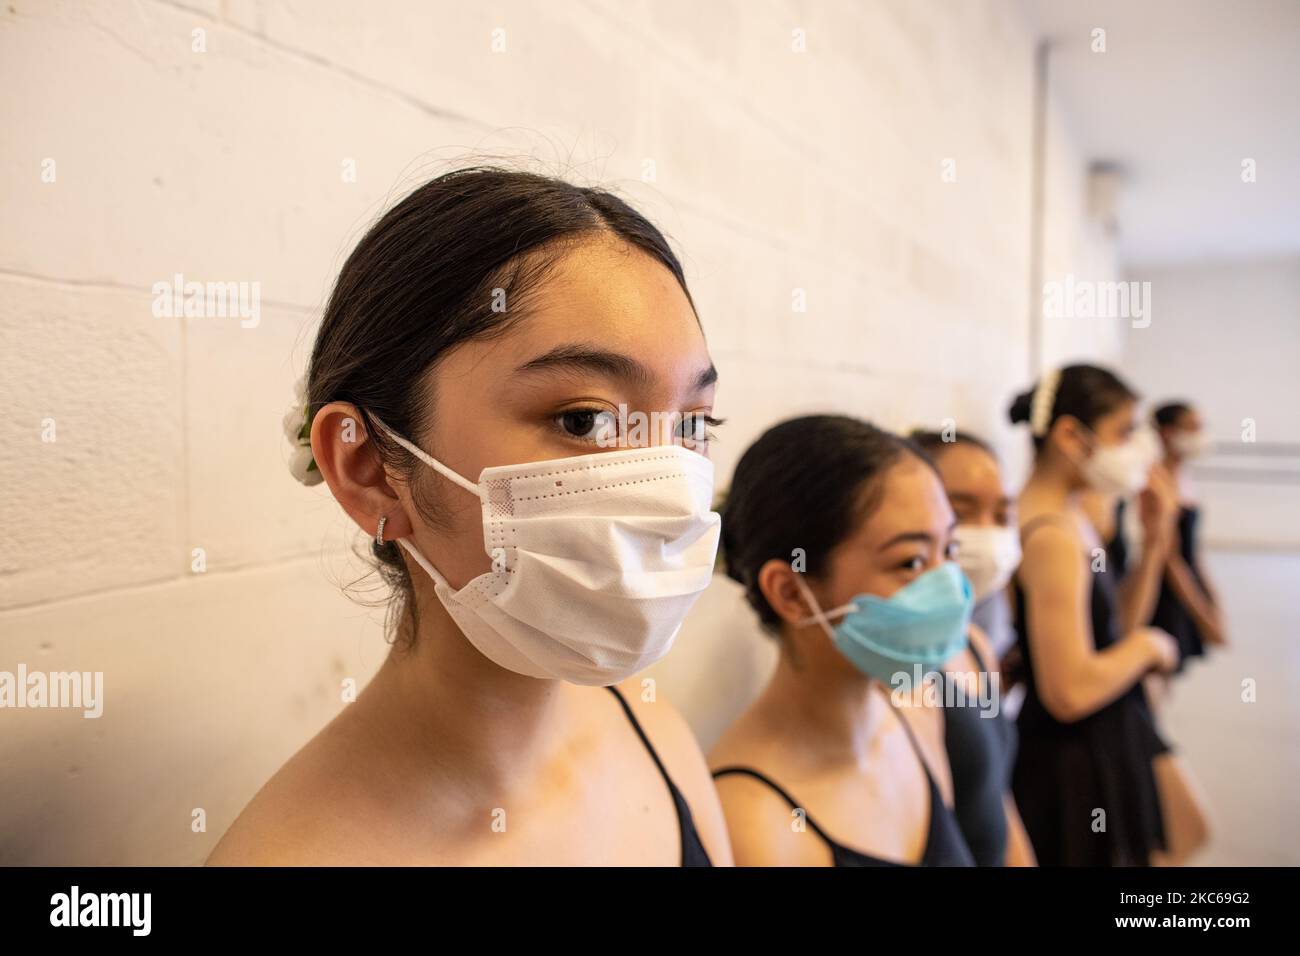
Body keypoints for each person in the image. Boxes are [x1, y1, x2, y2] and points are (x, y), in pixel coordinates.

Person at [207, 167, 733, 866]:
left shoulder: (653, 728)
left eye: (692, 426)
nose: (668, 491)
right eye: (585, 419)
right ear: (370, 471)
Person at [709, 415, 975, 867]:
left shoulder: (917, 711)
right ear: (792, 593)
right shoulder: (750, 820)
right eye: (910, 562)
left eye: (948, 550)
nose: (949, 587)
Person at [1007, 364, 1180, 866]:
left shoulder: (1075, 515)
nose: (1135, 450)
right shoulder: (1052, 535)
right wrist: (1150, 647)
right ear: (1068, 435)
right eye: (1123, 432)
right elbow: (1069, 690)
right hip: (1073, 756)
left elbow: (1113, 633)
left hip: (1100, 739)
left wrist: (1155, 544)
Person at [909, 430, 1036, 866]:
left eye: (1002, 514)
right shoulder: (898, 666)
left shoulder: (977, 644)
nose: (987, 531)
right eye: (962, 512)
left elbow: (999, 801)